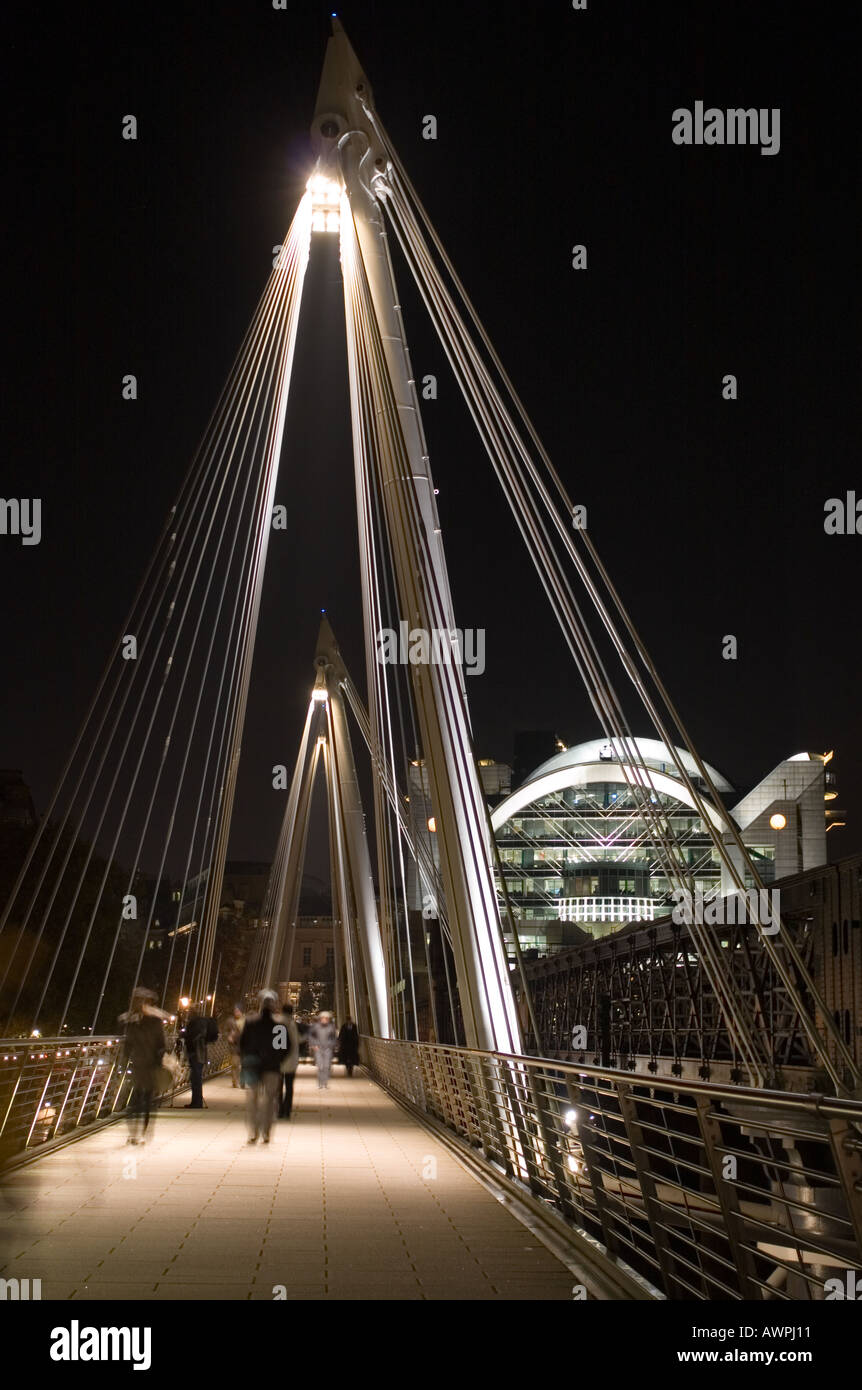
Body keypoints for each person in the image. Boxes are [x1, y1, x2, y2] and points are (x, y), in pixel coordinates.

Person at [120, 988, 166, 1144]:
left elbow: (161, 1045)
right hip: (138, 1065)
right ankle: (135, 1134)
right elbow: (128, 1043)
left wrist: (157, 1063)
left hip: (150, 1066)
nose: (137, 1003)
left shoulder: (152, 1021)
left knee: (145, 1100)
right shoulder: (131, 1021)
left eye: (140, 1001)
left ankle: (142, 1133)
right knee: (136, 1100)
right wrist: (124, 1062)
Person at [240, 989, 283, 1143]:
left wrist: (248, 1057)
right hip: (272, 1067)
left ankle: (253, 1131)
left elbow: (242, 1043)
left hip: (253, 1066)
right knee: (270, 1100)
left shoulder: (250, 1022)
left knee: (252, 1098)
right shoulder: (279, 1025)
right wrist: (278, 1060)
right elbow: (285, 1047)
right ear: (274, 1006)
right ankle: (266, 1131)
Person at [277, 1003, 300, 1119]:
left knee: (278, 1087)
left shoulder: (277, 1023)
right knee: (289, 1086)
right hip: (291, 1061)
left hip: (278, 1061)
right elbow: (295, 1043)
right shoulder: (292, 1025)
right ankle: (287, 1110)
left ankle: (279, 1110)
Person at [182, 1008, 208, 1109]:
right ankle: (196, 1102)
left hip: (196, 1054)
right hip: (199, 1054)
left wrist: (184, 1034)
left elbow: (192, 1036)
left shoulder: (194, 1023)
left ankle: (196, 1103)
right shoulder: (201, 1023)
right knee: (196, 1078)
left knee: (196, 1079)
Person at [309, 1011, 337, 1090]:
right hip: (318, 1049)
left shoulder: (331, 1027)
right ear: (320, 1019)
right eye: (323, 1018)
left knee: (326, 1066)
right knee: (320, 1066)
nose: (324, 1020)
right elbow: (311, 1036)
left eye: (326, 1018)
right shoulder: (316, 1027)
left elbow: (334, 1038)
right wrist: (314, 1045)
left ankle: (325, 1083)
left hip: (328, 1049)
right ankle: (320, 1083)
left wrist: (331, 1045)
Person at [226, 1004, 245, 1088]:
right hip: (234, 1046)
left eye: (238, 1011)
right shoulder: (230, 1021)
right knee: (235, 1064)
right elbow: (225, 1031)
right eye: (235, 1011)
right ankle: (235, 1081)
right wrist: (229, 1036)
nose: (236, 1012)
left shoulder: (246, 1020)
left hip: (244, 1045)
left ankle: (242, 1081)